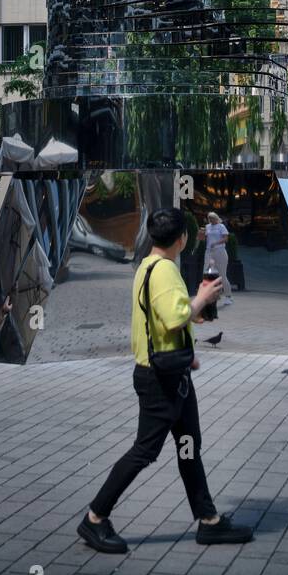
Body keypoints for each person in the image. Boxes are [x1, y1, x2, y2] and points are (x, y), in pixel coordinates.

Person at [77, 205, 254, 554]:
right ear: (183, 239)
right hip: (159, 380)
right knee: (145, 450)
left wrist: (192, 314)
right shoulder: (165, 271)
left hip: (172, 375)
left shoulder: (147, 265)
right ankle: (95, 517)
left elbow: (166, 316)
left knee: (189, 444)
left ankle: (208, 521)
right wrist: (201, 299)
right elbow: (174, 318)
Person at [199, 212, 232, 304]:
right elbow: (201, 239)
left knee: (222, 275)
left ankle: (228, 296)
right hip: (209, 252)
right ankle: (207, 295)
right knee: (206, 272)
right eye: (209, 218)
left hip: (220, 251)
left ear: (216, 218)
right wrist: (200, 233)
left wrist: (216, 243)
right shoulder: (207, 227)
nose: (211, 220)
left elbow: (226, 239)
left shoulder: (221, 226)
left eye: (212, 218)